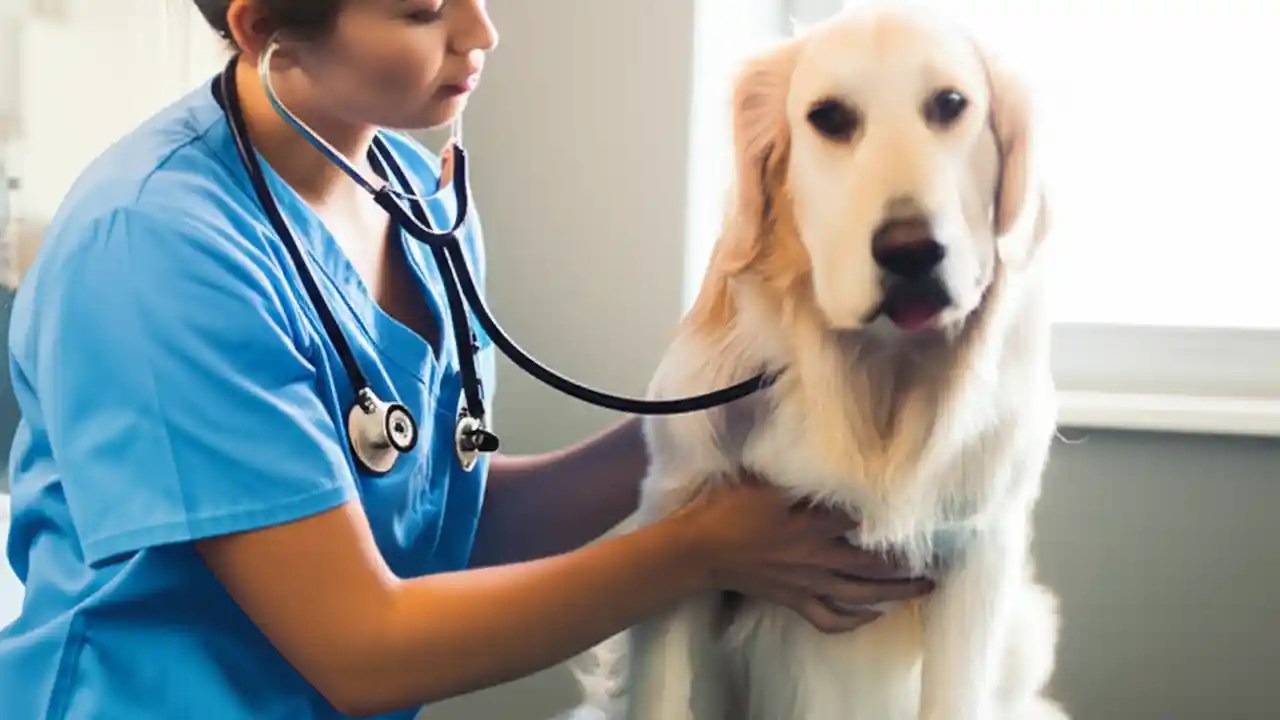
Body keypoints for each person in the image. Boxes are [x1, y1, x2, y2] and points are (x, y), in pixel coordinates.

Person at [0, 1, 935, 718]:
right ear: (264, 31)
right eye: (421, 9)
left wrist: (691, 433)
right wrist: (698, 552)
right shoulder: (158, 250)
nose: (481, 31)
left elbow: (443, 529)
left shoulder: (413, 194)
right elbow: (360, 645)